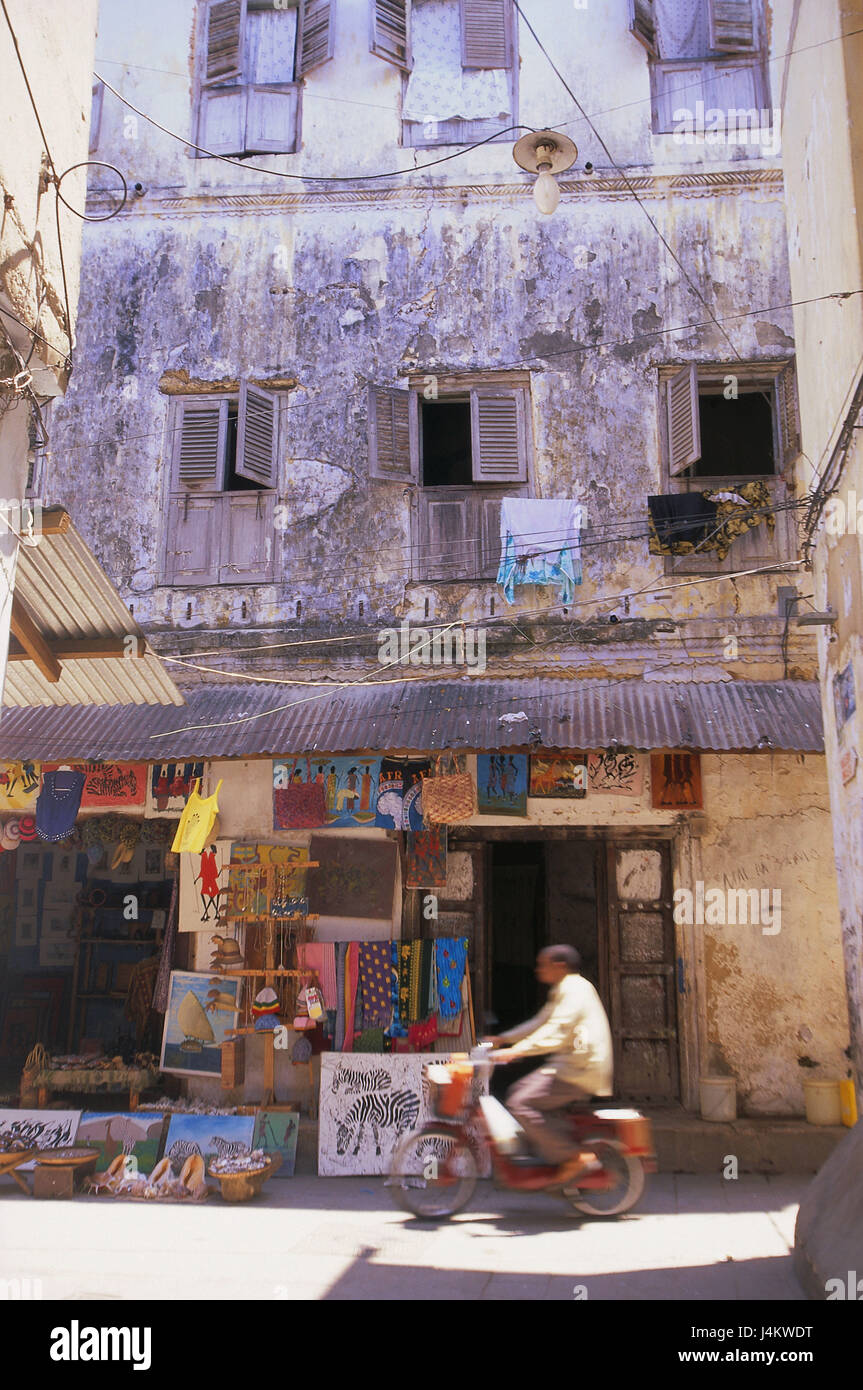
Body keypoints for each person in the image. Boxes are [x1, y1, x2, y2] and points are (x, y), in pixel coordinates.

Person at [484, 945, 614, 1183]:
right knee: (518, 1092)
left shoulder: (574, 990)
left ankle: (574, 1157)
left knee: (520, 1102)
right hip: (572, 1065)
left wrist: (515, 1051)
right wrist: (503, 1039)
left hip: (580, 1068)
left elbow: (557, 1032)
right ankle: (547, 1150)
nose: (537, 970)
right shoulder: (564, 990)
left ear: (559, 966)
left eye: (542, 964)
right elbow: (540, 1023)